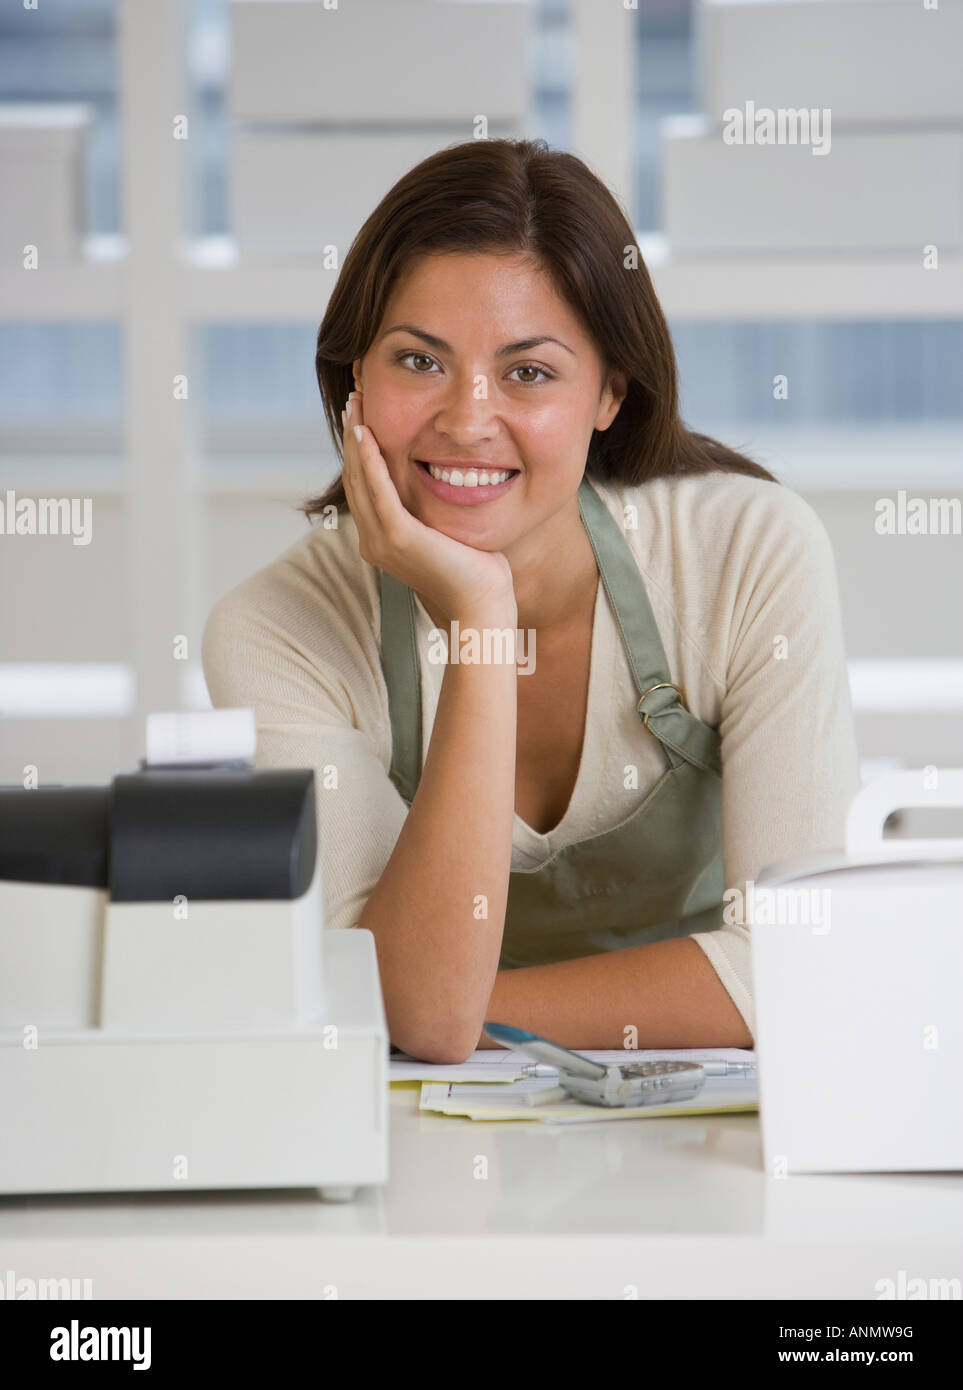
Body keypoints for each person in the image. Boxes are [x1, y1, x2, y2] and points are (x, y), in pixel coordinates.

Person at [202, 138, 860, 1063]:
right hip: (420, 1154)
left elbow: (798, 963)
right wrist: (479, 619)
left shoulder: (747, 553)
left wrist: (462, 1008)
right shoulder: (279, 631)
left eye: (530, 372)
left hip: (718, 1129)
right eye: (418, 361)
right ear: (354, 381)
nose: (468, 418)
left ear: (609, 395)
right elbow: (411, 1017)